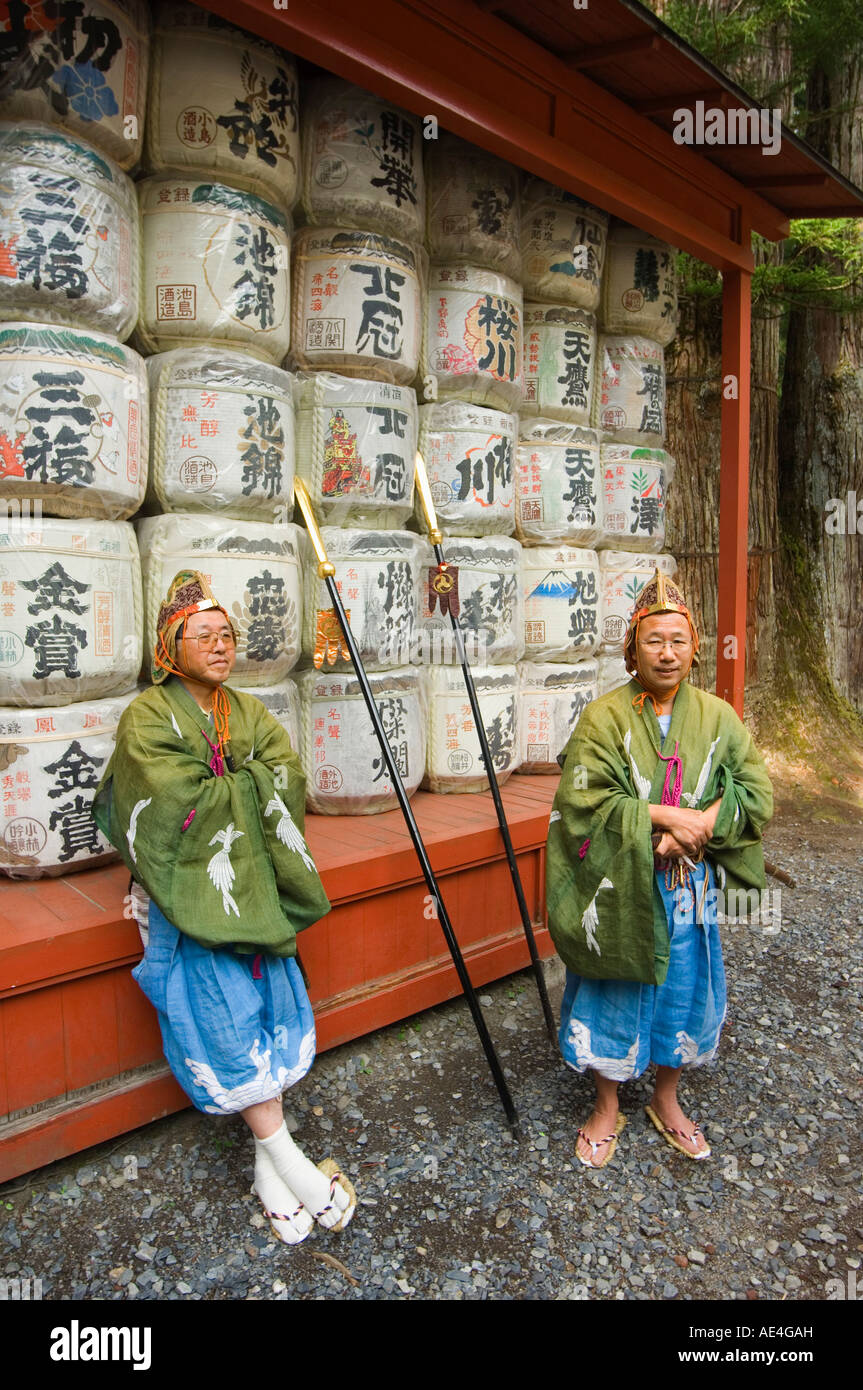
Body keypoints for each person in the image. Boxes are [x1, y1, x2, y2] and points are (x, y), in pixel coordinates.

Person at [93, 570, 356, 1242]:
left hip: (253, 895)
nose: (218, 645)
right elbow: (166, 800)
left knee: (265, 1010)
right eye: (201, 635)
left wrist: (234, 782)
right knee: (224, 1020)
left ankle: (271, 1175)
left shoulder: (248, 709)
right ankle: (295, 1169)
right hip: (190, 900)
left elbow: (285, 774)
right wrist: (242, 781)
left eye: (226, 634)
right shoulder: (147, 716)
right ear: (166, 649)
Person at [546, 569, 773, 1168]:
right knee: (613, 983)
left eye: (678, 640)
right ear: (633, 648)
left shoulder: (718, 717)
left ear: (694, 647)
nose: (666, 653)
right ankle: (606, 1103)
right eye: (654, 641)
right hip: (624, 885)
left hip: (689, 887)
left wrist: (703, 826)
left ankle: (667, 1097)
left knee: (683, 987)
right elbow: (583, 800)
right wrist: (672, 821)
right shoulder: (603, 718)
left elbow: (751, 787)